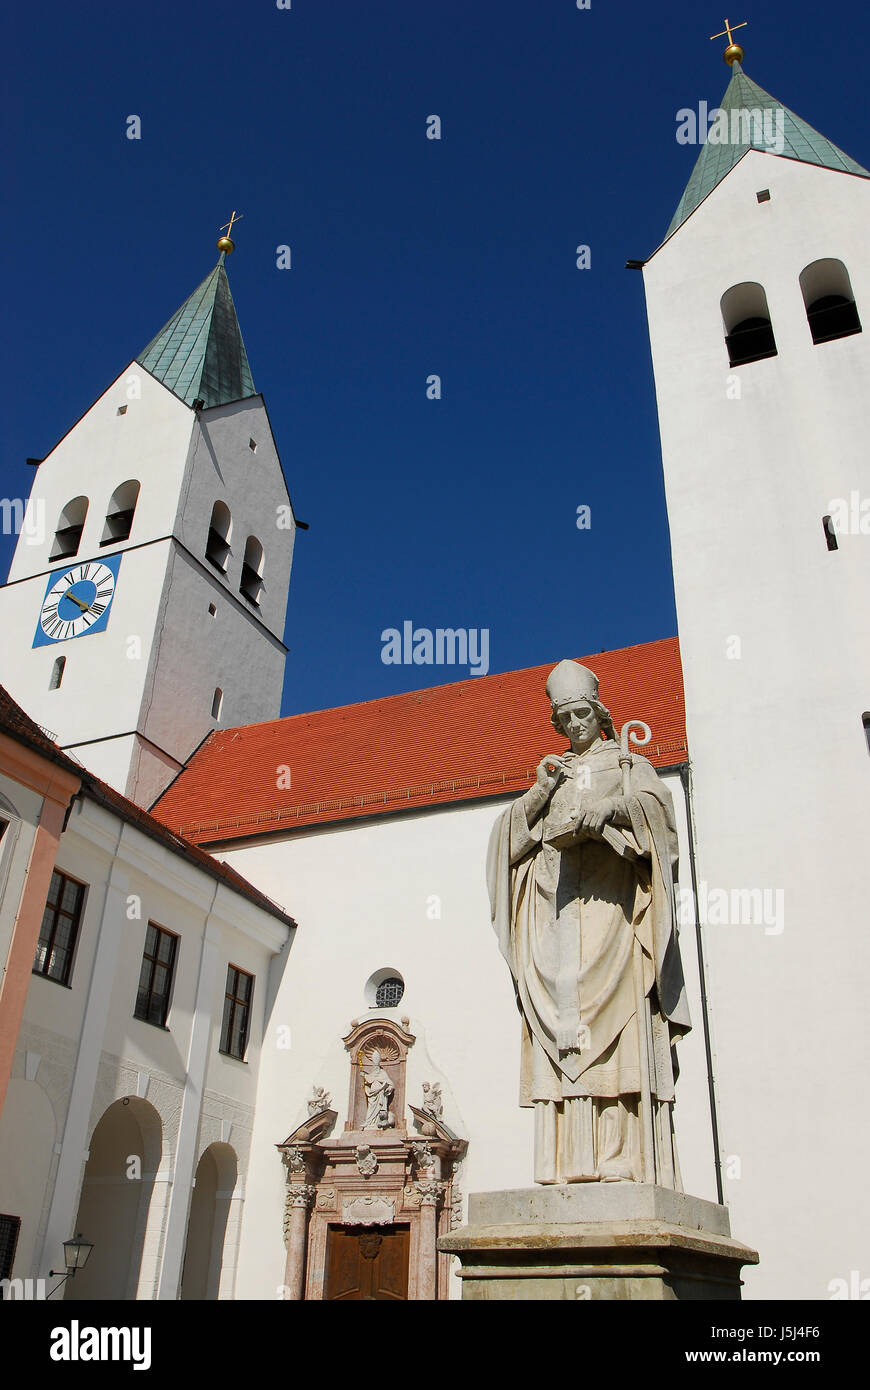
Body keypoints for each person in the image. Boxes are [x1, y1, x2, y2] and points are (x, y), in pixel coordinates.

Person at [486, 659, 691, 1185]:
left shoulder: (627, 764)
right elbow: (507, 844)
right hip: (558, 924)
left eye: (582, 714)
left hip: (614, 918)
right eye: (565, 717)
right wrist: (539, 792)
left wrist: (615, 811)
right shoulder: (550, 774)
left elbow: (661, 820)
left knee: (620, 1030)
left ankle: (621, 1159)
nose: (575, 724)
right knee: (563, 1034)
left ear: (599, 713)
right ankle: (563, 1163)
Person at [362, 1049, 395, 1130]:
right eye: (374, 1066)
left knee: (380, 1109)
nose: (375, 1068)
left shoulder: (383, 1073)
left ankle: (378, 1122)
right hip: (372, 1095)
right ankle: (369, 1123)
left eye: (377, 1066)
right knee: (371, 1109)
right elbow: (369, 1080)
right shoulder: (372, 1074)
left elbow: (390, 1083)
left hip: (381, 1094)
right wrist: (364, 1076)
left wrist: (389, 1088)